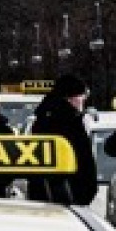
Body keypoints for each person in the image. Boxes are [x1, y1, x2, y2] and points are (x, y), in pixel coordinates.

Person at [27, 75, 98, 205]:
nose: (83, 100)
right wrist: (86, 190)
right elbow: (82, 158)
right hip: (68, 193)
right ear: (70, 98)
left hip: (42, 194)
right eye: (81, 96)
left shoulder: (42, 120)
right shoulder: (70, 122)